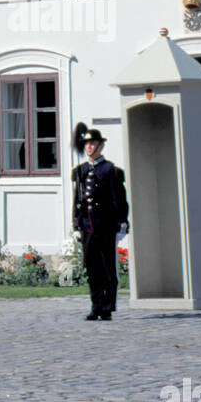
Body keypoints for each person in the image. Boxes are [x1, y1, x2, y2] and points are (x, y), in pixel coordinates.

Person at [71, 124, 129, 321]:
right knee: (92, 268)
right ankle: (95, 305)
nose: (89, 147)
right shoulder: (81, 171)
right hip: (87, 227)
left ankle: (107, 306)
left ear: (100, 147)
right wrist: (76, 225)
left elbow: (118, 199)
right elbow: (77, 200)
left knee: (107, 268)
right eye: (87, 144)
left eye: (92, 144)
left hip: (105, 226)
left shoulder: (109, 170)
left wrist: (122, 223)